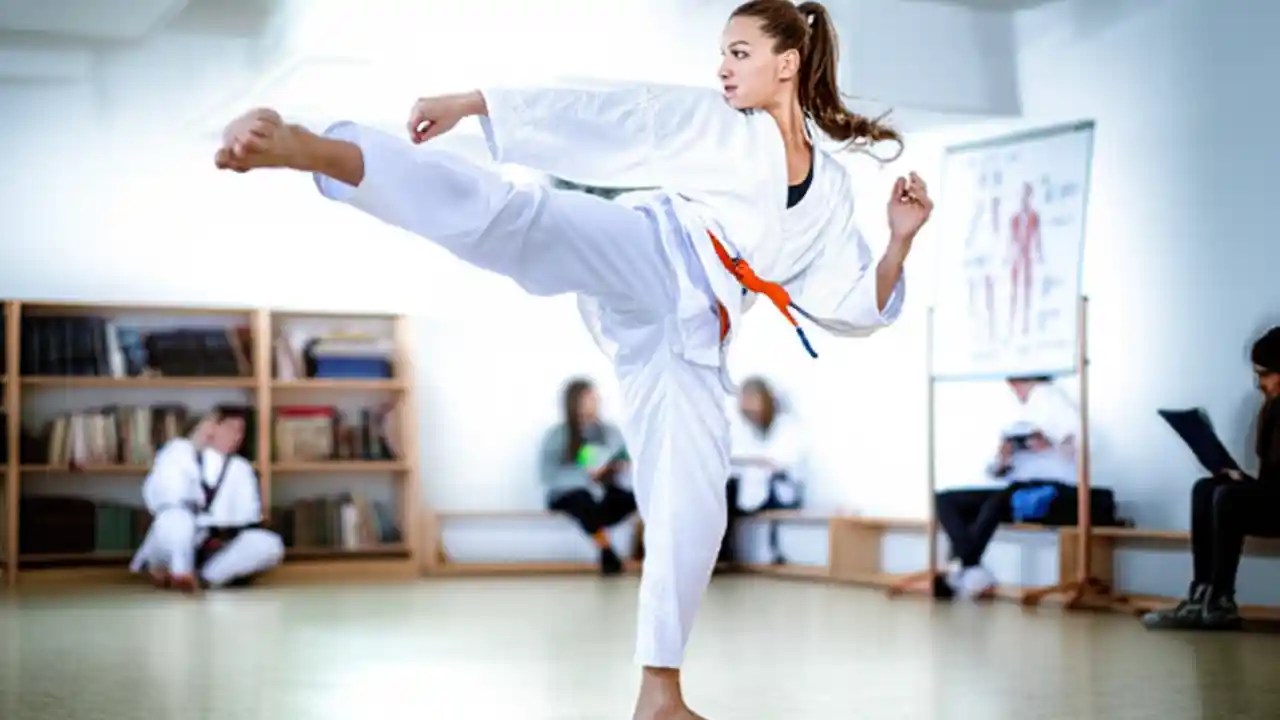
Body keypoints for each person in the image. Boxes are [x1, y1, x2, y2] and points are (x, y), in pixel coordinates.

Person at [213, 1, 932, 716]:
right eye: (722, 50)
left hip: (694, 335)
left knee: (695, 505)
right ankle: (323, 151)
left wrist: (899, 240)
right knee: (513, 220)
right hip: (652, 253)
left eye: (739, 52)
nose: (722, 66)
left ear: (788, 63)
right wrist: (475, 103)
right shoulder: (722, 127)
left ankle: (660, 693)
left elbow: (847, 301)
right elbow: (612, 115)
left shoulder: (830, 190)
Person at [1143, 327, 1280, 631]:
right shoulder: (1272, 407)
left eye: (1266, 374)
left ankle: (1220, 600)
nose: (1260, 383)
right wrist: (1238, 476)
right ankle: (1201, 594)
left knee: (1228, 497)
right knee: (1207, 488)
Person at [934, 375, 1077, 598]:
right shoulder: (1014, 411)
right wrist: (1003, 459)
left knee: (996, 503)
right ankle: (971, 565)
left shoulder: (1058, 402)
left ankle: (963, 565)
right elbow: (995, 472)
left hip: (1046, 487)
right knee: (944, 499)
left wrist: (1049, 445)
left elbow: (1081, 449)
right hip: (1013, 486)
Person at [129, 409, 285, 591]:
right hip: (176, 538)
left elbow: (247, 517)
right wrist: (197, 442)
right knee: (176, 518)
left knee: (268, 544)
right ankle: (180, 571)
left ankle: (206, 578)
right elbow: (167, 497)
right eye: (229, 429)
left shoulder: (242, 468)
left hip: (217, 544)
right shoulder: (179, 452)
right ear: (211, 428)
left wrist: (221, 531)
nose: (235, 436)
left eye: (240, 431)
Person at [540, 377, 637, 575]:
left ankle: (645, 551)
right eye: (589, 398)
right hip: (569, 494)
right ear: (574, 401)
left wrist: (616, 465)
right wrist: (585, 476)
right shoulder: (557, 434)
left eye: (596, 399)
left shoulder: (609, 431)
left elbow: (620, 456)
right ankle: (606, 550)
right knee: (582, 500)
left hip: (602, 491)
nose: (595, 403)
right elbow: (548, 475)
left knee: (634, 499)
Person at [718, 376, 807, 567]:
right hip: (756, 486)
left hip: (782, 490)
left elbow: (782, 462)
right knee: (717, 491)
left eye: (753, 404)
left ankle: (722, 554)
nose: (750, 411)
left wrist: (757, 463)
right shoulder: (747, 429)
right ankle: (718, 553)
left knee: (727, 493)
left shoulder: (787, 427)